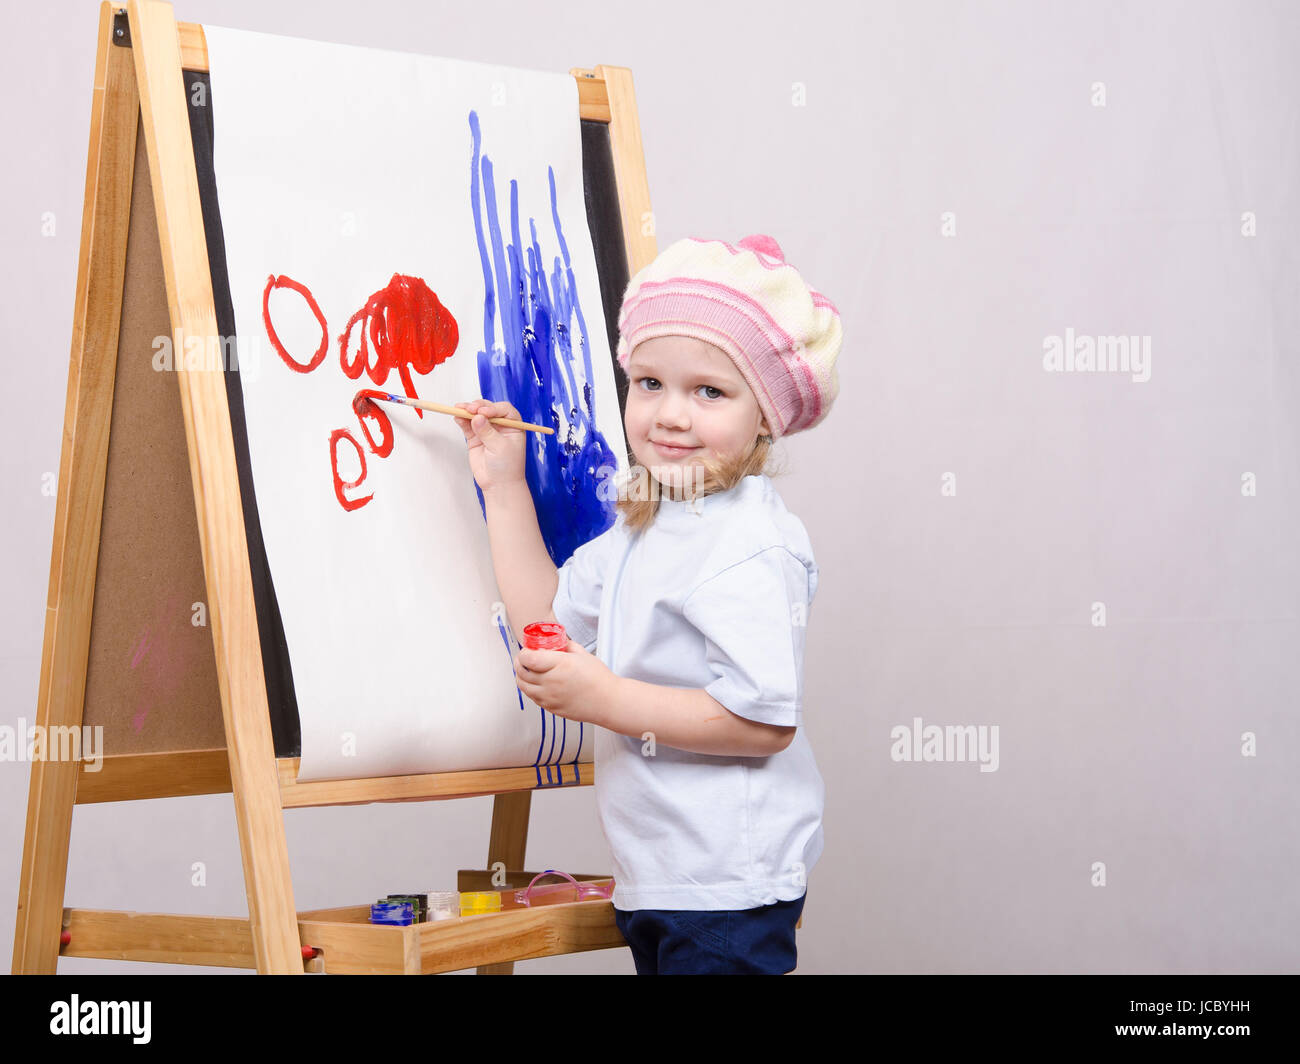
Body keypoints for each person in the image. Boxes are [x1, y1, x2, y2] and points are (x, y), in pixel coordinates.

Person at [456, 233, 842, 974]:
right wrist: (503, 487)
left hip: (727, 887)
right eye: (649, 383)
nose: (669, 415)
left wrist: (603, 697)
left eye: (709, 392)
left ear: (765, 414)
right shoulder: (647, 524)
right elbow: (549, 620)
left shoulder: (750, 544)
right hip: (661, 878)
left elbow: (763, 722)